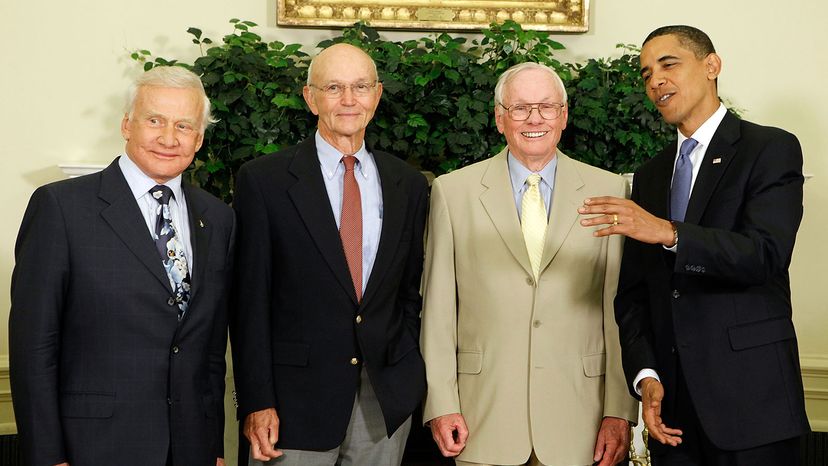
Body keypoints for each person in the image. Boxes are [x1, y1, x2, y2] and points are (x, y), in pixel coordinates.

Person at [578, 25, 809, 465]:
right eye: (646, 74)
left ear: (711, 66)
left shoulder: (770, 148)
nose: (655, 81)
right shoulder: (650, 174)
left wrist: (671, 233)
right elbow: (633, 296)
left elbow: (764, 255)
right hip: (673, 419)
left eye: (668, 65)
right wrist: (646, 375)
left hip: (753, 409)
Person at [9, 66, 235, 466]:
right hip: (93, 447)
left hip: (191, 448)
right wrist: (47, 455)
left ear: (199, 139)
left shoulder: (218, 218)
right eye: (155, 121)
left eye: (184, 126)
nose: (169, 138)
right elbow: (33, 347)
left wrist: (213, 446)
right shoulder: (61, 208)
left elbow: (210, 349)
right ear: (127, 124)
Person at [420, 61, 638, 466]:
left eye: (546, 107)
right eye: (520, 108)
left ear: (564, 116)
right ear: (500, 119)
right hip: (482, 415)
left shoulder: (610, 190)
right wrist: (441, 402)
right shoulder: (453, 192)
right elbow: (437, 310)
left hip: (582, 419)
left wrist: (619, 410)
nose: (534, 118)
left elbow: (617, 309)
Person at [231, 43, 429, 466]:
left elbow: (410, 293)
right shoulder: (263, 182)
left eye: (360, 87)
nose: (348, 100)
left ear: (376, 95)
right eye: (334, 87)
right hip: (292, 406)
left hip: (384, 402)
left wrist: (407, 369)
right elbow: (249, 304)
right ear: (310, 97)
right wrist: (257, 400)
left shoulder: (408, 184)